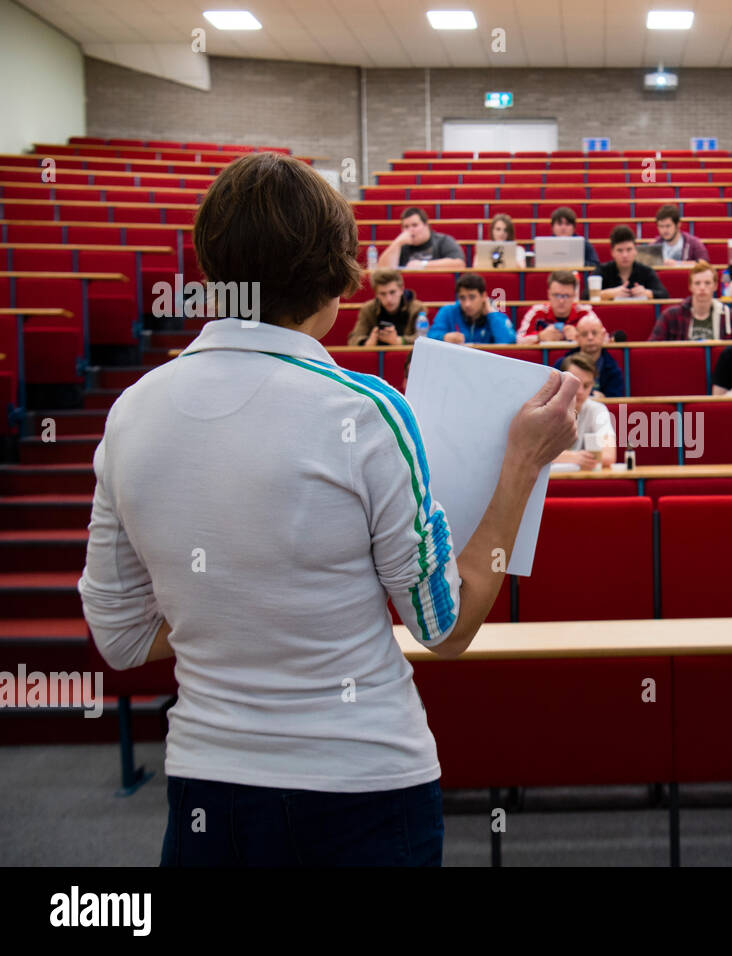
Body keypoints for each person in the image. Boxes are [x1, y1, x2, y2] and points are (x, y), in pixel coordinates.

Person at [77, 150, 579, 867]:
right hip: (362, 790)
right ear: (339, 272)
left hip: (209, 795)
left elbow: (121, 640)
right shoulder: (368, 412)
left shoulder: (130, 414)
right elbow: (446, 625)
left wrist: (237, 611)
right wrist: (522, 467)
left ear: (214, 268)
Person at [553, 353, 617, 471]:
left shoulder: (597, 409)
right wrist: (574, 457)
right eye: (575, 384)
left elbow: (609, 455)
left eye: (586, 385)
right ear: (561, 381)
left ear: (593, 385)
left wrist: (567, 457)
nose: (580, 392)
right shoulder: (545, 409)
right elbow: (529, 454)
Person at [650, 261, 732, 341]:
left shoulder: (730, 316)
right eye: (697, 283)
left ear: (715, 286)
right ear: (690, 286)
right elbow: (652, 350)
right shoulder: (670, 316)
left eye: (707, 283)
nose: (702, 288)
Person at [347, 268, 427, 346]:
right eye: (382, 294)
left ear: (401, 290)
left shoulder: (417, 308)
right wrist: (367, 343)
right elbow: (353, 339)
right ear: (376, 294)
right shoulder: (367, 309)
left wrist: (399, 341)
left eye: (392, 292)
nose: (388, 299)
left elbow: (424, 338)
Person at [430, 273, 516, 344]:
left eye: (472, 297)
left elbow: (509, 343)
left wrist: (491, 314)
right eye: (462, 298)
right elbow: (430, 336)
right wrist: (444, 337)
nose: (467, 304)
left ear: (483, 296)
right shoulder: (448, 311)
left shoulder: (495, 315)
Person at [552, 313, 625, 398]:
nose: (590, 338)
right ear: (577, 337)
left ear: (603, 335)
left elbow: (617, 404)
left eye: (594, 333)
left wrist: (604, 399)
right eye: (584, 334)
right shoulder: (561, 365)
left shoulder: (613, 370)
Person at [593, 225, 669, 301]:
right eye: (620, 250)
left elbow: (664, 294)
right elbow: (585, 295)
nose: (625, 255)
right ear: (612, 252)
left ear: (635, 250)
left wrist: (647, 293)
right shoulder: (602, 270)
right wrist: (609, 294)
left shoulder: (646, 271)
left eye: (629, 249)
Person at [376, 206, 466, 270]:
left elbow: (459, 264)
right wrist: (397, 243)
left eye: (414, 225)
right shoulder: (401, 246)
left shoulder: (443, 241)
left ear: (426, 225)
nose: (410, 230)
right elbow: (382, 269)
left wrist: (424, 265)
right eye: (406, 227)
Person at [518, 270, 595, 343]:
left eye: (566, 296)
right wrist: (539, 337)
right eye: (556, 295)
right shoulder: (537, 311)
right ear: (549, 294)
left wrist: (580, 336)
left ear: (574, 296)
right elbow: (519, 340)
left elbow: (604, 338)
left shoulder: (585, 312)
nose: (561, 301)